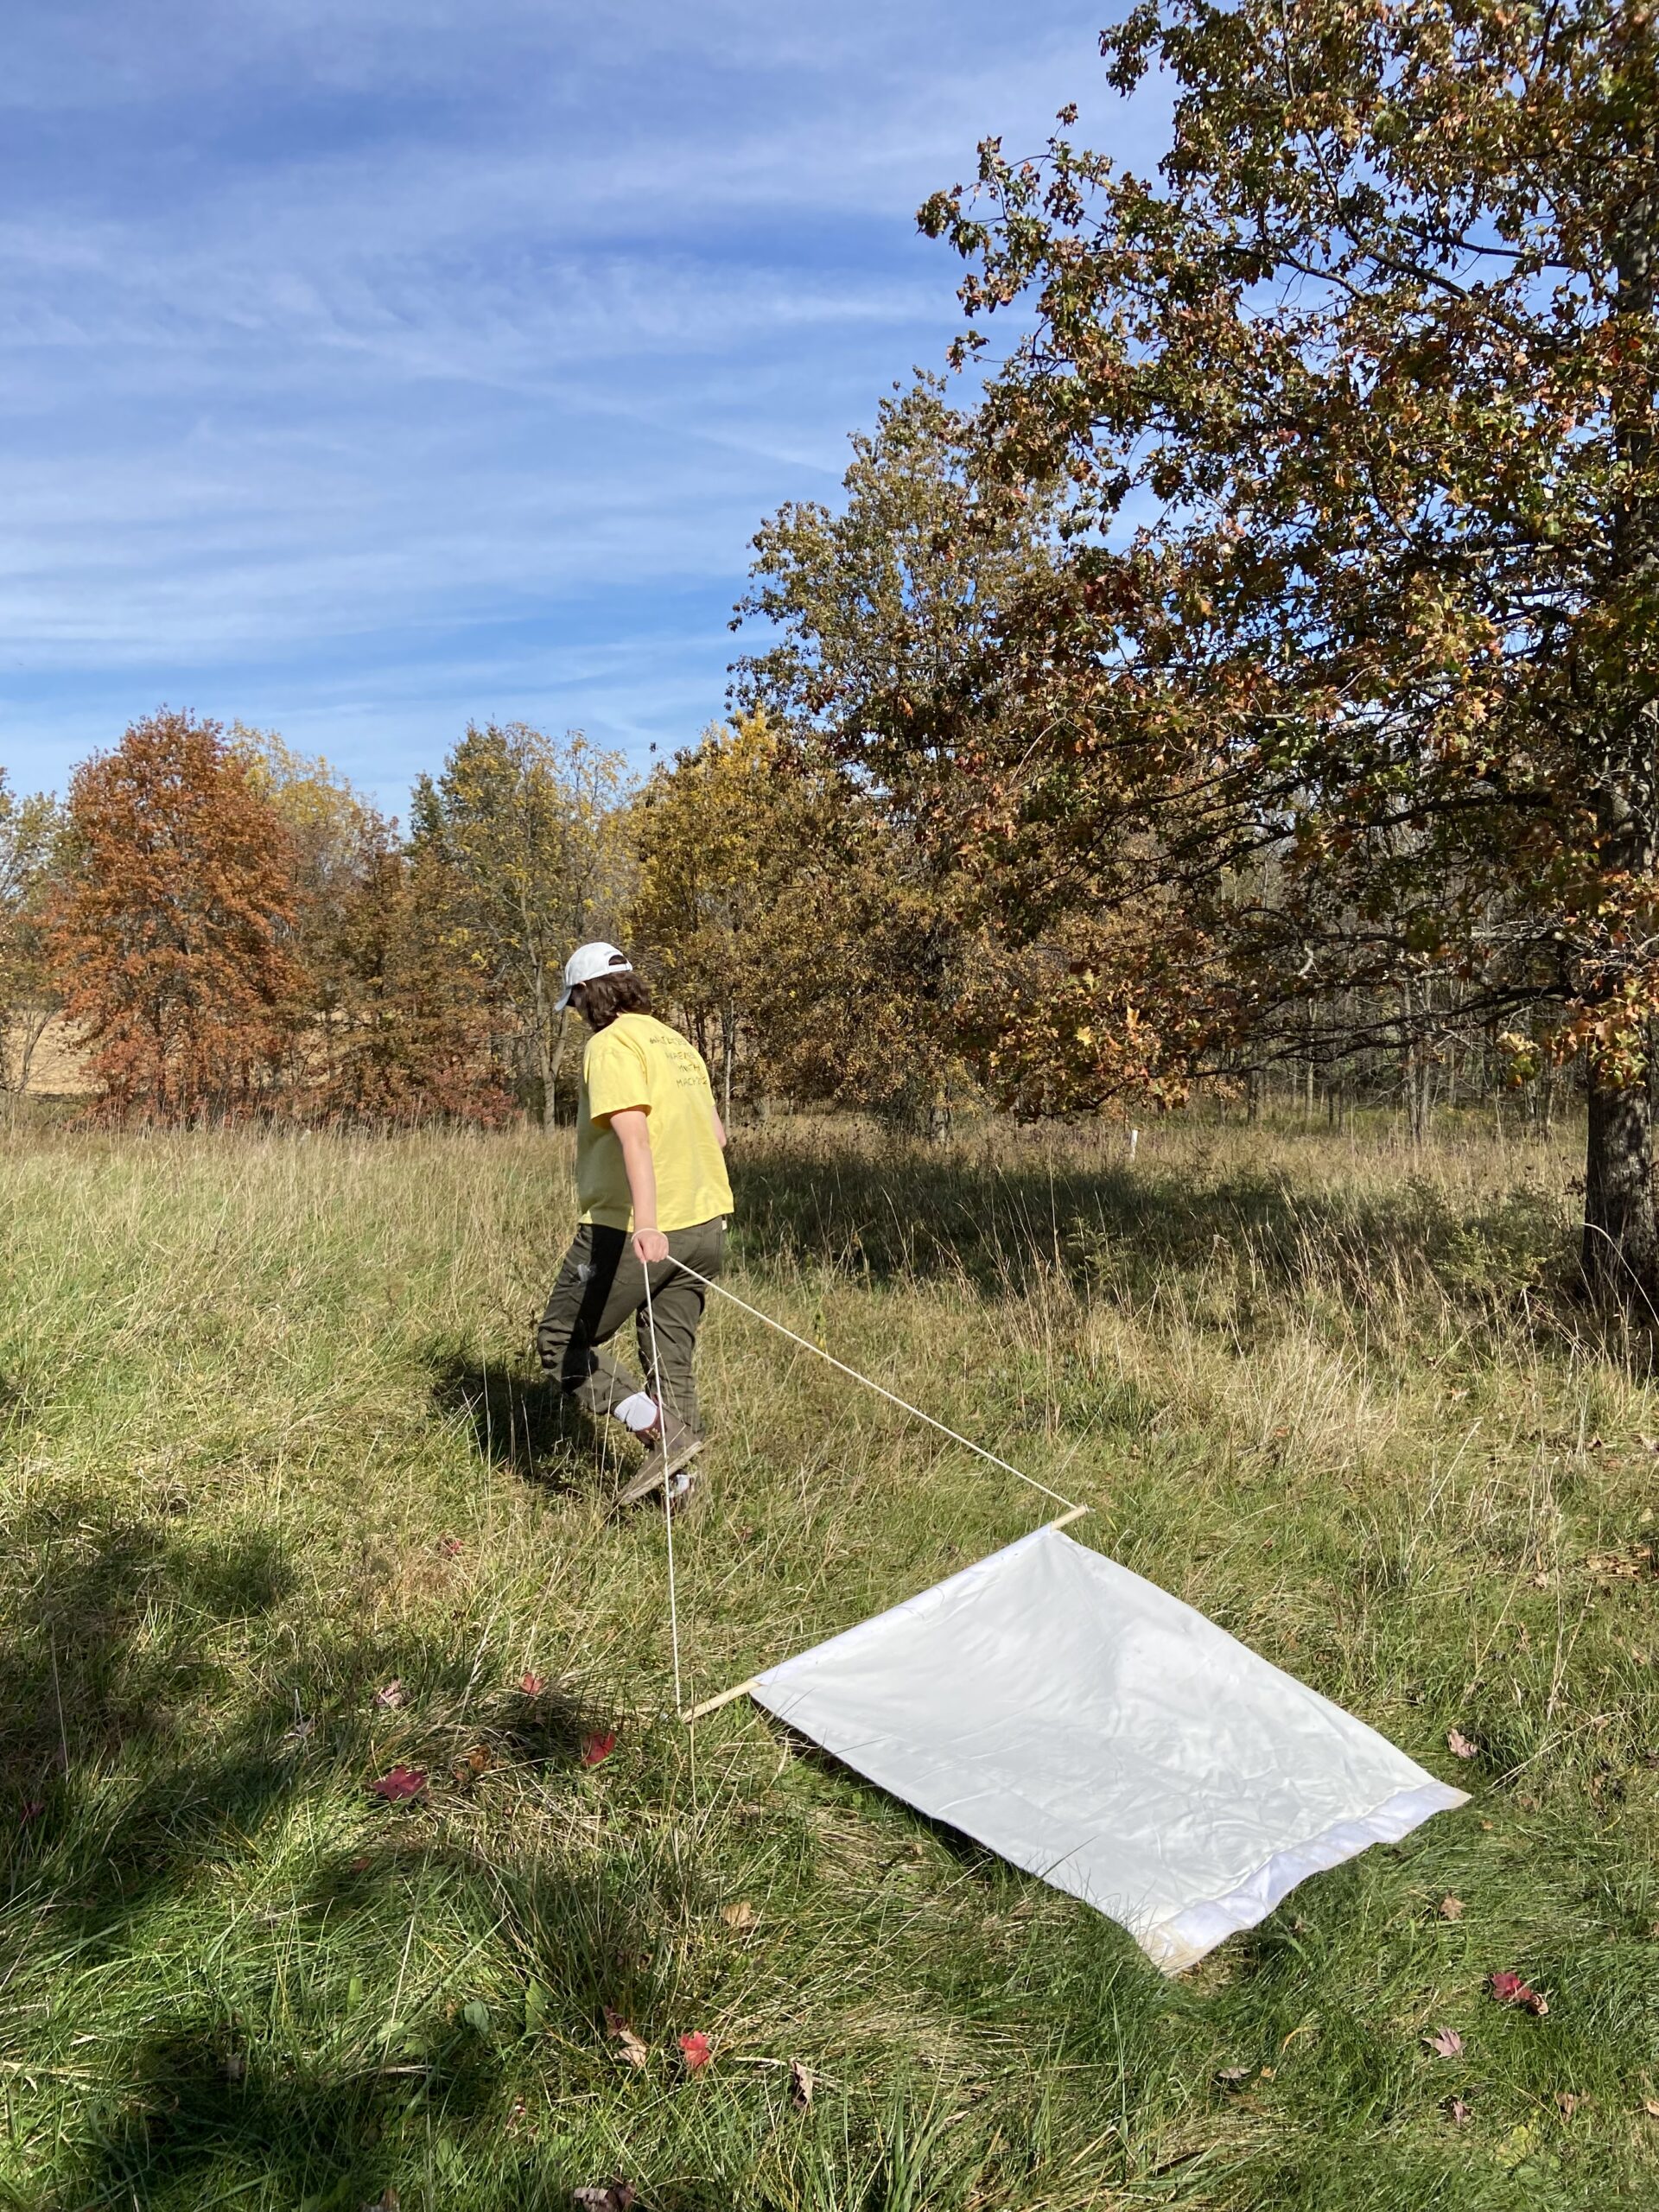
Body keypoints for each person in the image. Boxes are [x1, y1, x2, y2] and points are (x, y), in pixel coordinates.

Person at [536, 941, 733, 1508]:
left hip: (632, 1232)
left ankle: (661, 1433)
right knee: (671, 1361)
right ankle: (682, 1494)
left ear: (585, 995)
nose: (575, 1017)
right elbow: (716, 1137)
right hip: (707, 1225)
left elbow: (635, 1136)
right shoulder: (677, 1044)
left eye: (573, 1004)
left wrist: (647, 1224)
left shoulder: (610, 1045)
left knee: (560, 1341)